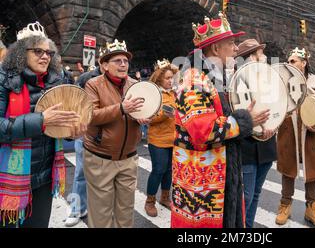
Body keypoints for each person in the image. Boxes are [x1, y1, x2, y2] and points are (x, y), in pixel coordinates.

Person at [171, 13, 270, 228]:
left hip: (218, 173)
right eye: (232, 43)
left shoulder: (216, 77)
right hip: (202, 180)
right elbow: (202, 130)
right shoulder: (193, 79)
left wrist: (255, 128)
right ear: (215, 49)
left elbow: (226, 121)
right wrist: (246, 121)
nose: (236, 49)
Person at [0, 21, 83, 227]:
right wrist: (42, 120)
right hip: (9, 178)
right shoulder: (3, 79)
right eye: (38, 51)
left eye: (49, 52)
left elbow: (63, 124)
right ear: (20, 52)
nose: (45, 56)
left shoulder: (57, 81)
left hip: (44, 178)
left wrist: (73, 131)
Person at [83, 39, 150, 228]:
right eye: (117, 61)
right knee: (101, 214)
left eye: (126, 61)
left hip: (129, 158)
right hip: (100, 157)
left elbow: (144, 111)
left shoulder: (135, 84)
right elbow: (90, 116)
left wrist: (144, 117)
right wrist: (121, 108)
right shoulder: (93, 84)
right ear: (104, 65)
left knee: (126, 212)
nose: (123, 64)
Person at [276, 47, 315, 228]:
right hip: (289, 135)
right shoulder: (282, 84)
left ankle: (311, 210)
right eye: (288, 61)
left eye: (293, 61)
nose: (289, 64)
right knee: (288, 171)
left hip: (311, 138)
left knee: (312, 173)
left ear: (304, 63)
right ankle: (285, 206)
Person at [235, 39, 277, 228]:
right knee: (246, 195)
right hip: (246, 147)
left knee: (256, 193)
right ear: (249, 58)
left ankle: (248, 227)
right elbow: (233, 116)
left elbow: (278, 109)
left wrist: (274, 125)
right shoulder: (234, 82)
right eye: (260, 54)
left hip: (266, 145)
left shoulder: (268, 81)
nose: (265, 57)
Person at [65, 48, 106, 227]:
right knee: (81, 173)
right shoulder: (86, 78)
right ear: (101, 62)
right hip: (86, 133)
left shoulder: (123, 81)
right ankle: (76, 210)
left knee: (105, 176)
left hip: (109, 136)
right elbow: (73, 101)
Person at [144, 59, 178, 218]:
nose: (171, 81)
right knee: (158, 170)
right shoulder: (154, 93)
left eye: (172, 78)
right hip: (157, 139)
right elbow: (149, 117)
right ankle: (150, 201)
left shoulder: (174, 93)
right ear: (159, 79)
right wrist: (165, 114)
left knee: (169, 170)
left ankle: (165, 197)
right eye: (168, 78)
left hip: (173, 139)